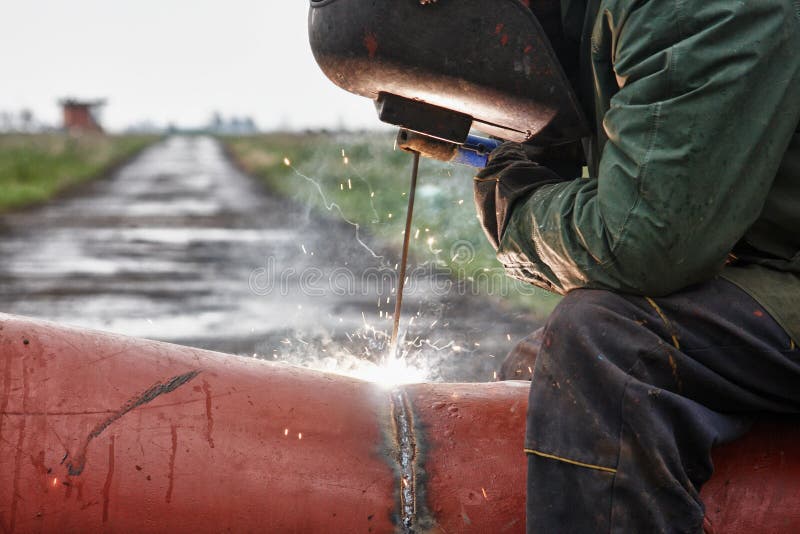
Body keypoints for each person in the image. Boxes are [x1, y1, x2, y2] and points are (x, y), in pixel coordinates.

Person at [474, 0, 800, 531]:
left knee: (603, 343)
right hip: (773, 256)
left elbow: (640, 243)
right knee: (538, 366)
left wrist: (512, 201)